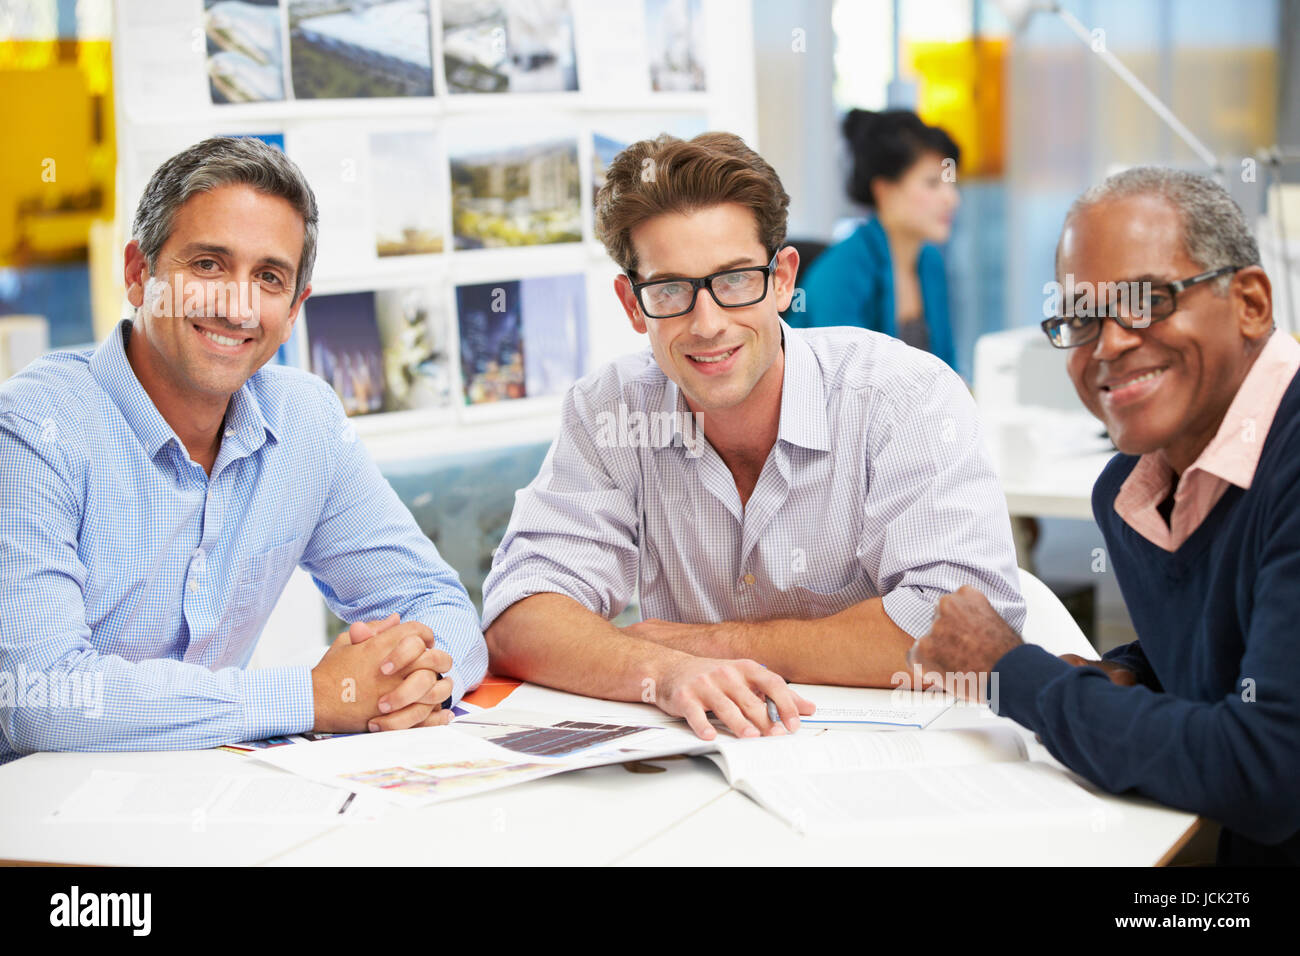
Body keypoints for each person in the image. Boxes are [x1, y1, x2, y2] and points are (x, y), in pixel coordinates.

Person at [482, 132, 1024, 742]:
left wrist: (715, 643)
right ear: (633, 306)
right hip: (709, 763)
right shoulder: (610, 408)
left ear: (783, 279)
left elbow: (970, 633)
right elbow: (518, 614)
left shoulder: (904, 394)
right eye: (670, 290)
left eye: (735, 279)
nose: (708, 324)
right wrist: (663, 671)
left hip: (903, 766)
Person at [0, 136, 487, 764]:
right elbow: (44, 702)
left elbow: (440, 608)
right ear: (137, 274)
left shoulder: (304, 421)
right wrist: (316, 697)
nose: (237, 304)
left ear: (292, 310)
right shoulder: (36, 426)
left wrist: (404, 682)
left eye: (268, 277)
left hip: (213, 807)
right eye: (208, 264)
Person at [910, 166, 1300, 865]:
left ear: (1249, 302)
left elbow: (1268, 769)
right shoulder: (1132, 492)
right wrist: (1130, 671)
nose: (1110, 344)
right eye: (1082, 318)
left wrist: (1012, 672)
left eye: (1146, 301)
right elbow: (1234, 643)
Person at [792, 109, 960, 370]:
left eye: (952, 183)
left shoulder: (930, 263)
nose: (951, 199)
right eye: (932, 183)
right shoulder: (840, 273)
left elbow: (947, 369)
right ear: (884, 191)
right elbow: (845, 387)